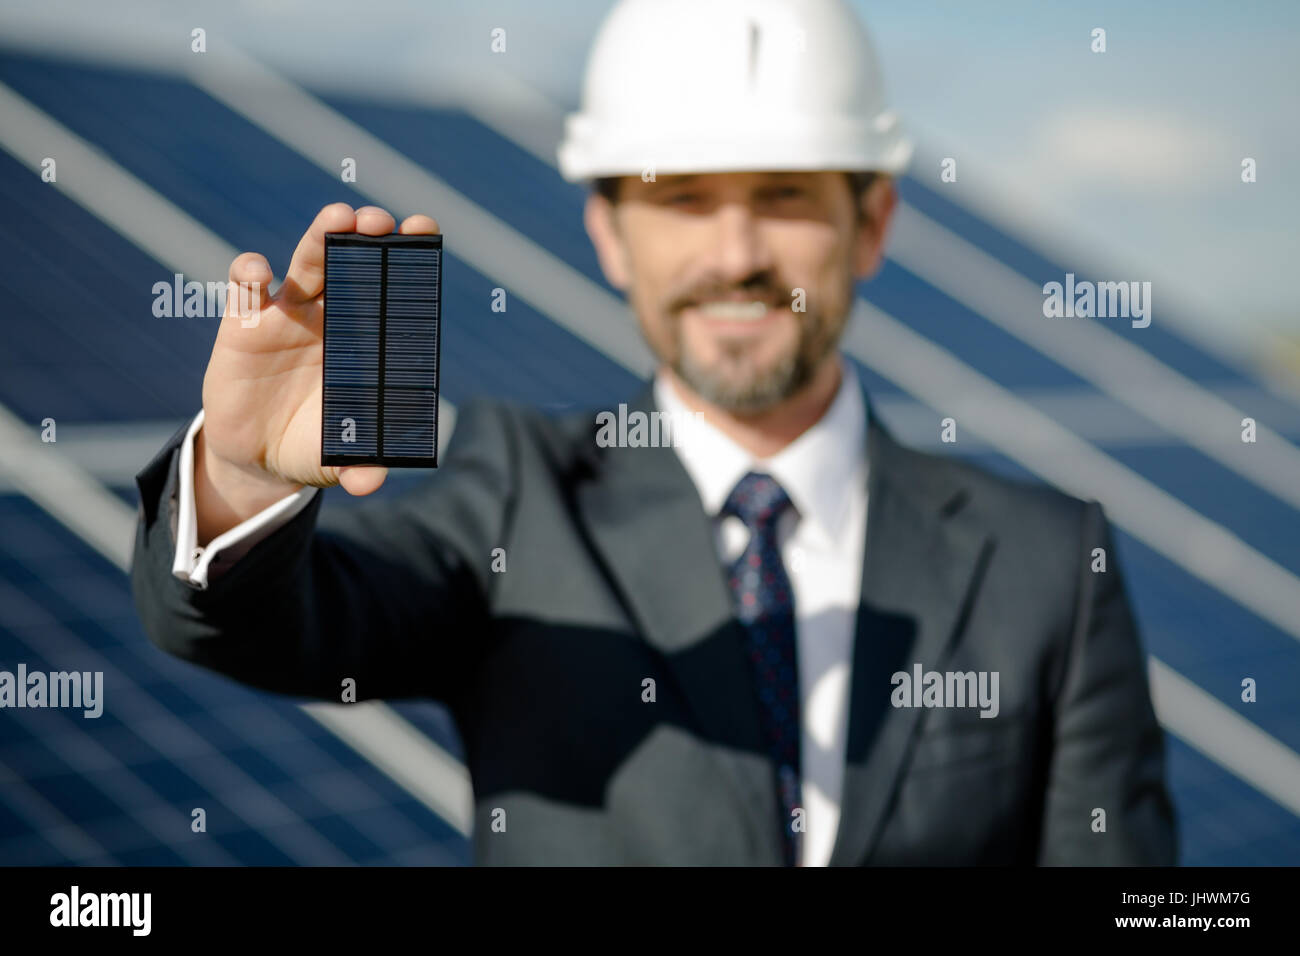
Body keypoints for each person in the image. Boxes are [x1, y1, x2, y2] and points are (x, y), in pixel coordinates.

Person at [131, 0, 1177, 865]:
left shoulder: (1048, 560)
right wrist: (238, 479)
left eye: (783, 193)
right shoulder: (516, 498)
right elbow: (280, 625)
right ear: (608, 234)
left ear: (872, 223)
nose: (734, 253)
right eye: (679, 197)